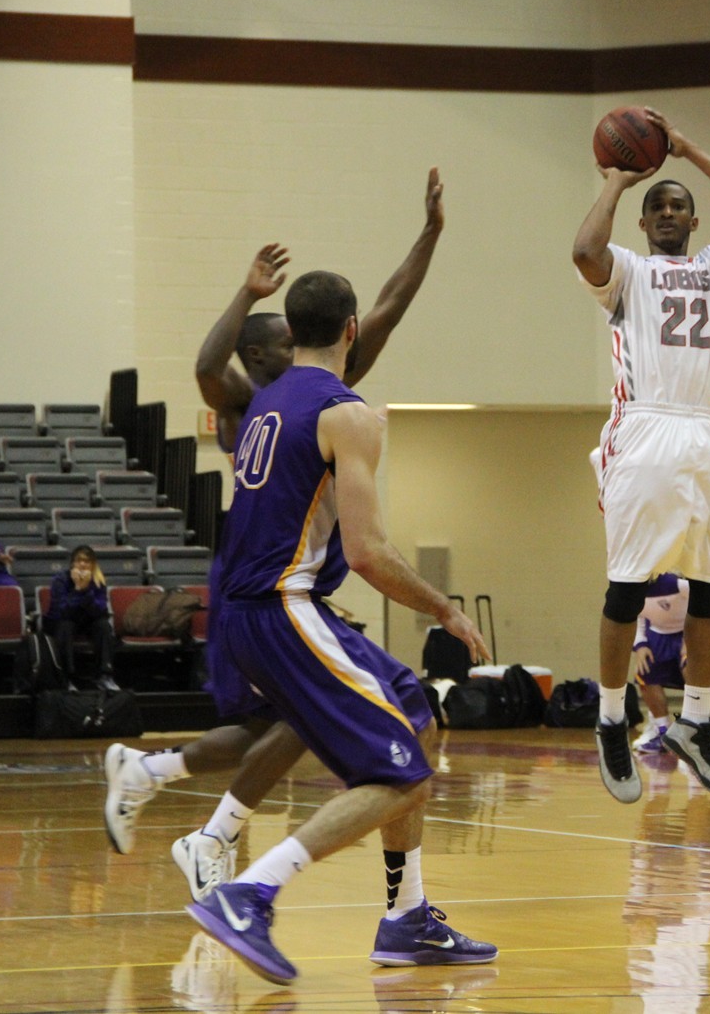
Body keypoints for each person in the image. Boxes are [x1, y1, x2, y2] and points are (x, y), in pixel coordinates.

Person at [103, 170, 448, 898]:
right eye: (279, 338)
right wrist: (247, 293)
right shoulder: (250, 401)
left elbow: (387, 305)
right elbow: (204, 364)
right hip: (259, 585)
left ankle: (163, 785)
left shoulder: (316, 389)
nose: (293, 342)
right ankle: (214, 836)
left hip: (285, 588)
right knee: (297, 721)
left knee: (292, 721)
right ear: (264, 354)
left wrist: (429, 236)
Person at [186, 267, 495, 984]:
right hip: (285, 609)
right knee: (406, 776)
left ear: (291, 332)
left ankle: (407, 914)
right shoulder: (346, 412)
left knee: (413, 716)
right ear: (351, 330)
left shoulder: (264, 401)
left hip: (253, 613)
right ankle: (249, 891)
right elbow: (366, 552)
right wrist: (444, 606)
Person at [572, 107, 710, 803]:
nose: (666, 211)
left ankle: (694, 721)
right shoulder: (626, 269)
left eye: (676, 205)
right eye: (655, 205)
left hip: (704, 433)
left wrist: (687, 150)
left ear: (691, 221)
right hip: (646, 428)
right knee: (629, 585)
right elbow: (583, 249)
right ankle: (609, 717)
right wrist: (618, 181)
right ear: (643, 221)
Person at [45, 545, 119, 691]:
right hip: (62, 621)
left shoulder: (98, 581)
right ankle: (66, 678)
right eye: (79, 560)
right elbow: (62, 611)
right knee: (66, 626)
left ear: (93, 565)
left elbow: (100, 610)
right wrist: (78, 590)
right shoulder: (60, 580)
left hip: (87, 620)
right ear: (73, 563)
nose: (83, 564)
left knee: (103, 625)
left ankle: (104, 676)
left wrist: (86, 591)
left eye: (87, 561)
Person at [632, 573, 689, 753]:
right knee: (644, 672)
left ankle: (693, 730)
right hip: (659, 635)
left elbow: (703, 603)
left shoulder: (676, 583)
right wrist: (640, 645)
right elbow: (637, 618)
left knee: (691, 669)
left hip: (686, 632)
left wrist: (691, 637)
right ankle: (663, 731)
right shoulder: (632, 588)